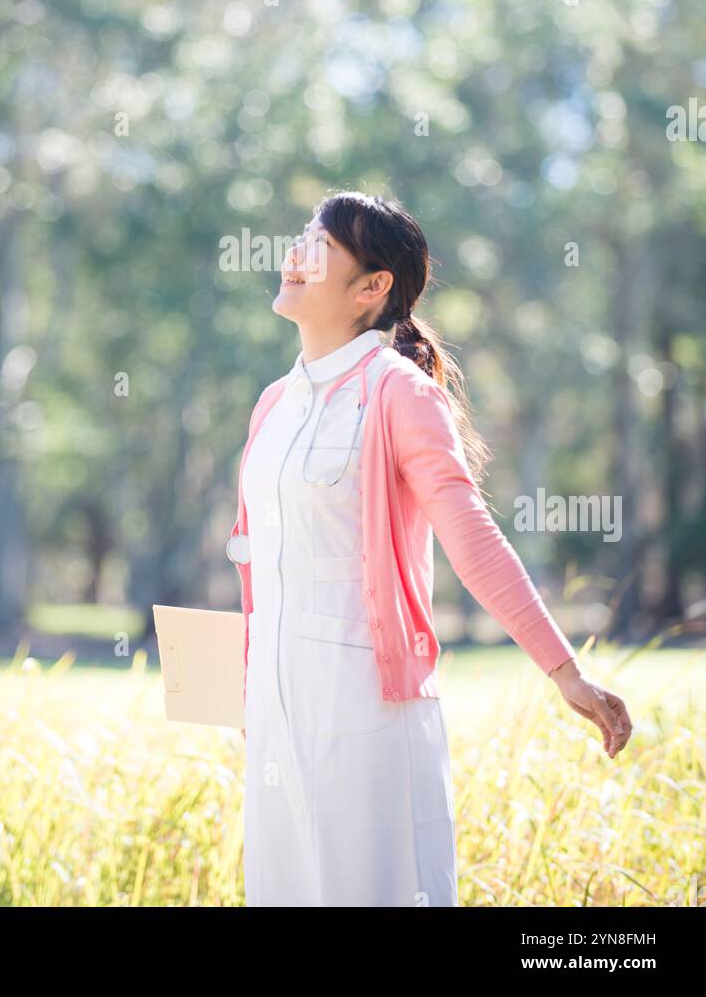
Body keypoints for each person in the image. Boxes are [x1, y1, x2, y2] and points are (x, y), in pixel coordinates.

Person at [230, 189, 632, 908]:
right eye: (297, 238)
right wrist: (242, 684)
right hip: (273, 706)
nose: (291, 255)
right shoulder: (274, 403)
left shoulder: (398, 393)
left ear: (371, 286)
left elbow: (471, 536)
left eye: (316, 245)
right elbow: (262, 563)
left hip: (364, 704)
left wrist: (564, 672)